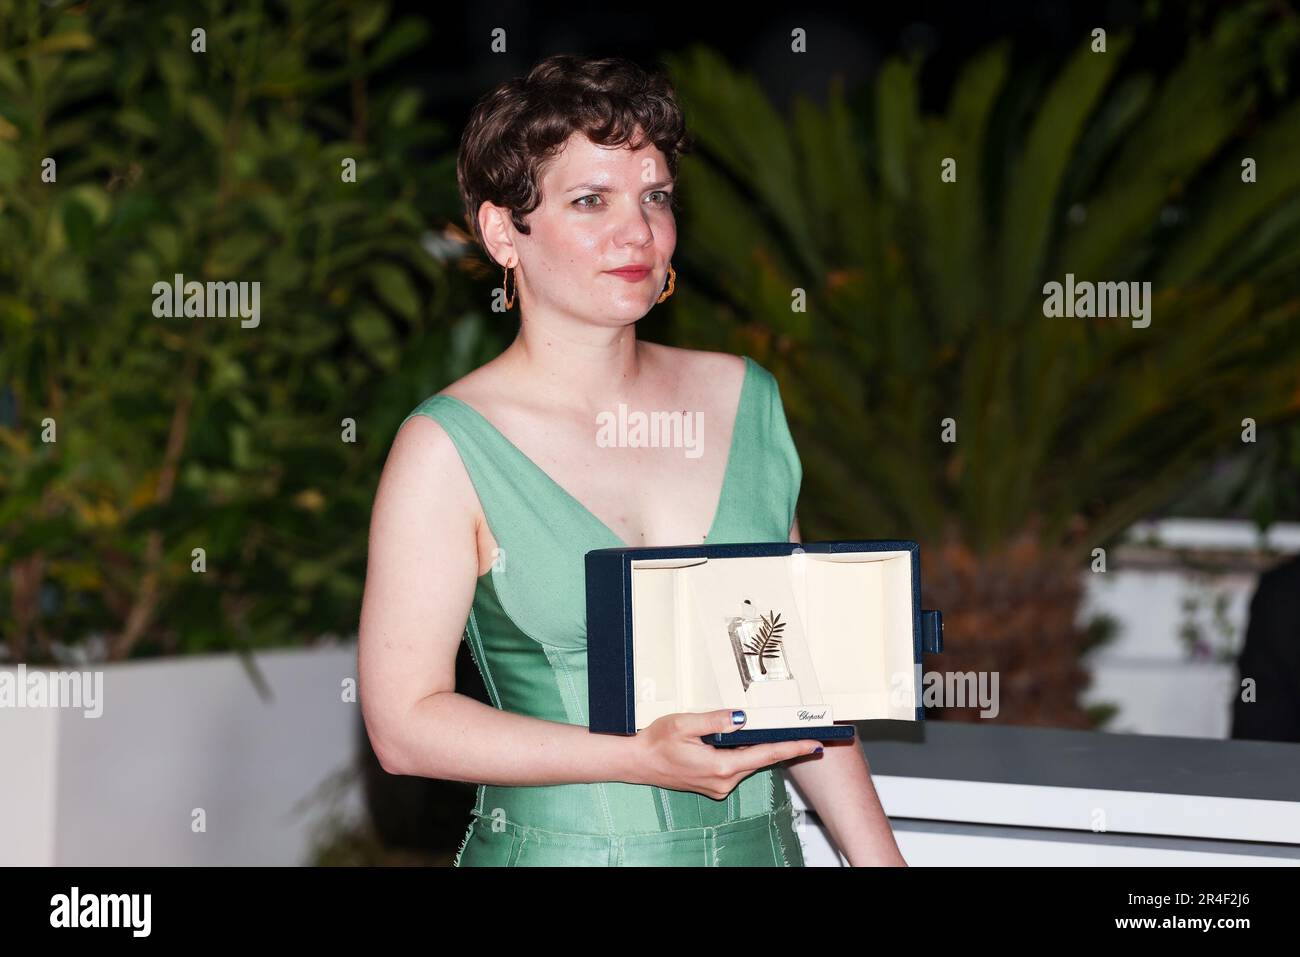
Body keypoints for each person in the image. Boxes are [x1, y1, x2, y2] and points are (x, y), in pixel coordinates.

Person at [358, 54, 905, 866]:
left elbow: (795, 681)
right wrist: (631, 756)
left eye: (655, 197)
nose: (638, 233)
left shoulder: (741, 401)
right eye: (590, 201)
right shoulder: (449, 446)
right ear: (504, 231)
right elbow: (404, 727)